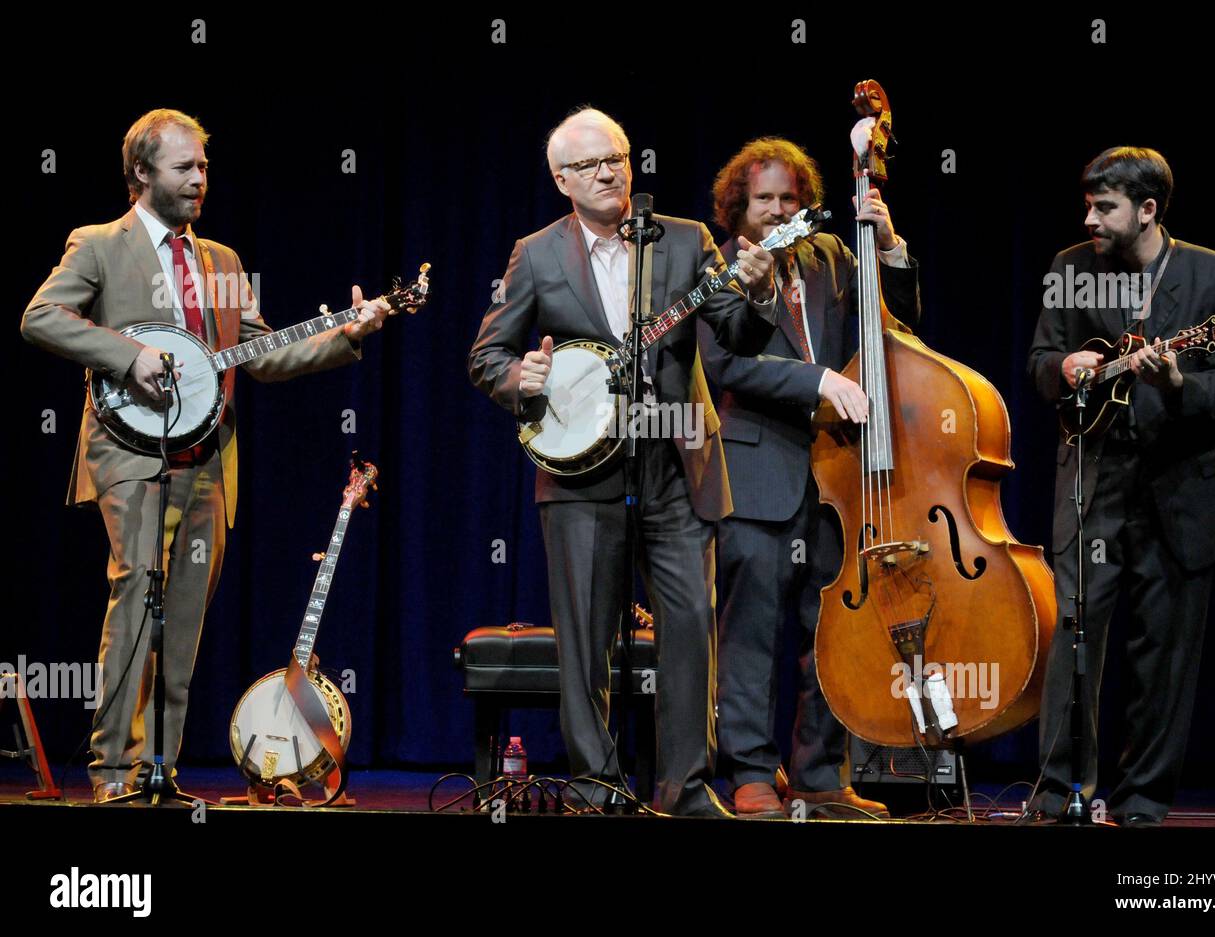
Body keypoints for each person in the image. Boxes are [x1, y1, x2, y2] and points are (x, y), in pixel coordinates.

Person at [21, 109, 390, 802]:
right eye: (183, 167)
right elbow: (40, 316)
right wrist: (128, 355)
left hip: (209, 459)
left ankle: (162, 769)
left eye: (204, 168)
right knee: (136, 599)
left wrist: (348, 332)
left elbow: (266, 352)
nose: (199, 180)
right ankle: (113, 773)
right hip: (130, 454)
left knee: (182, 619)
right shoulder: (100, 245)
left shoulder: (219, 261)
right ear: (140, 172)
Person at [468, 108, 779, 817]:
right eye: (590, 164)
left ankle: (686, 784)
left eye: (618, 157)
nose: (609, 171)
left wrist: (758, 288)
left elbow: (736, 330)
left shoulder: (685, 240)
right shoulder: (538, 254)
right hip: (581, 473)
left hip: (677, 461)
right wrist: (524, 379)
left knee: (691, 626)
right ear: (561, 180)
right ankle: (596, 783)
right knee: (584, 637)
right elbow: (486, 356)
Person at [1026, 146, 1215, 826]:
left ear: (1148, 210)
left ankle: (1142, 801)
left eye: (1104, 207)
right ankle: (1062, 792)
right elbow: (1038, 360)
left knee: (1165, 649)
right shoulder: (1071, 268)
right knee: (1074, 635)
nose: (1088, 216)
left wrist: (1177, 381)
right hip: (1094, 476)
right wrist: (1062, 365)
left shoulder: (1214, 276)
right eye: (1088, 204)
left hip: (1181, 481)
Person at [697, 137, 920, 817]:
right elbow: (724, 367)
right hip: (758, 474)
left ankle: (822, 772)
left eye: (787, 199)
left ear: (805, 205)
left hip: (839, 477)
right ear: (738, 206)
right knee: (752, 636)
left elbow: (893, 325)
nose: (774, 211)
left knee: (835, 632)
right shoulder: (718, 267)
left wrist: (888, 246)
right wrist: (817, 378)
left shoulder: (830, 257)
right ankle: (748, 770)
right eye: (761, 199)